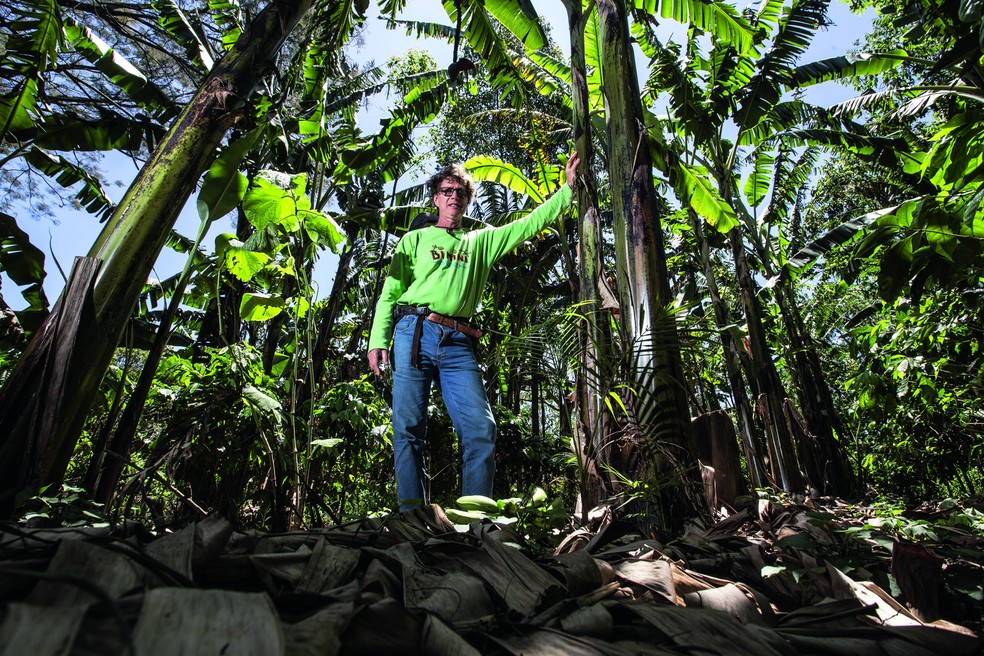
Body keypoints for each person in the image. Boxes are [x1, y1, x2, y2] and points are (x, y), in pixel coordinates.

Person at [368, 153, 580, 509]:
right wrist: (378, 340)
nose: (454, 196)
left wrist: (568, 190)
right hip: (412, 332)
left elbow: (528, 224)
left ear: (468, 200)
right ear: (435, 197)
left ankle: (474, 521)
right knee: (408, 429)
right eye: (447, 190)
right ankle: (413, 519)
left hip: (458, 342)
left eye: (461, 192)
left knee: (481, 430)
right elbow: (389, 294)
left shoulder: (479, 242)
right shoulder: (413, 241)